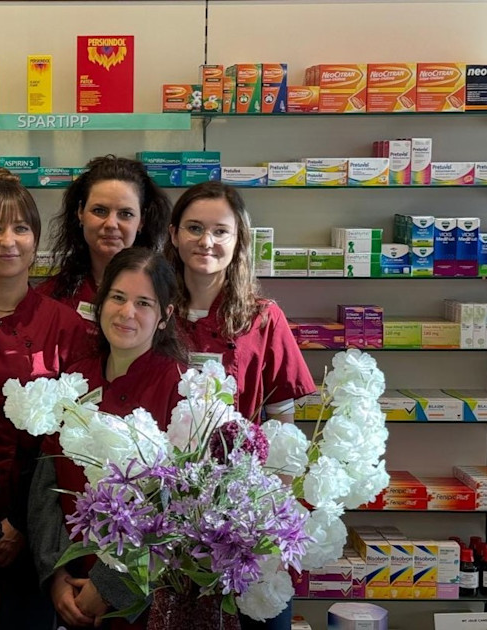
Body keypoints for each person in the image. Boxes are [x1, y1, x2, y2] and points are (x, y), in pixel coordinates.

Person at [28, 248, 233, 629]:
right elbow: (47, 484)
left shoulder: (184, 389)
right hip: (73, 585)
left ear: (164, 316)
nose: (127, 313)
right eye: (118, 298)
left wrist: (109, 588)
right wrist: (56, 575)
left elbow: (187, 511)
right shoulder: (76, 378)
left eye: (144, 303)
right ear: (101, 302)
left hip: (151, 599)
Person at [164, 181, 317, 630]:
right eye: (193, 228)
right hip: (168, 509)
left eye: (220, 231)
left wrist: (267, 513)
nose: (206, 241)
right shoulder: (155, 311)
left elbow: (283, 427)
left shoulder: (263, 316)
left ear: (238, 240)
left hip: (245, 511)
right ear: (173, 234)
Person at [0, 168, 90, 629]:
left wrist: (25, 528)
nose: (7, 240)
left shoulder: (64, 324)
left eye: (20, 228)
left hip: (36, 523)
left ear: (34, 240)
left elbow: (71, 441)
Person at [37, 155, 172, 331]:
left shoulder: (163, 294)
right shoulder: (50, 296)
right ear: (80, 213)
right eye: (99, 210)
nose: (111, 224)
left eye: (126, 214)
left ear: (141, 221)